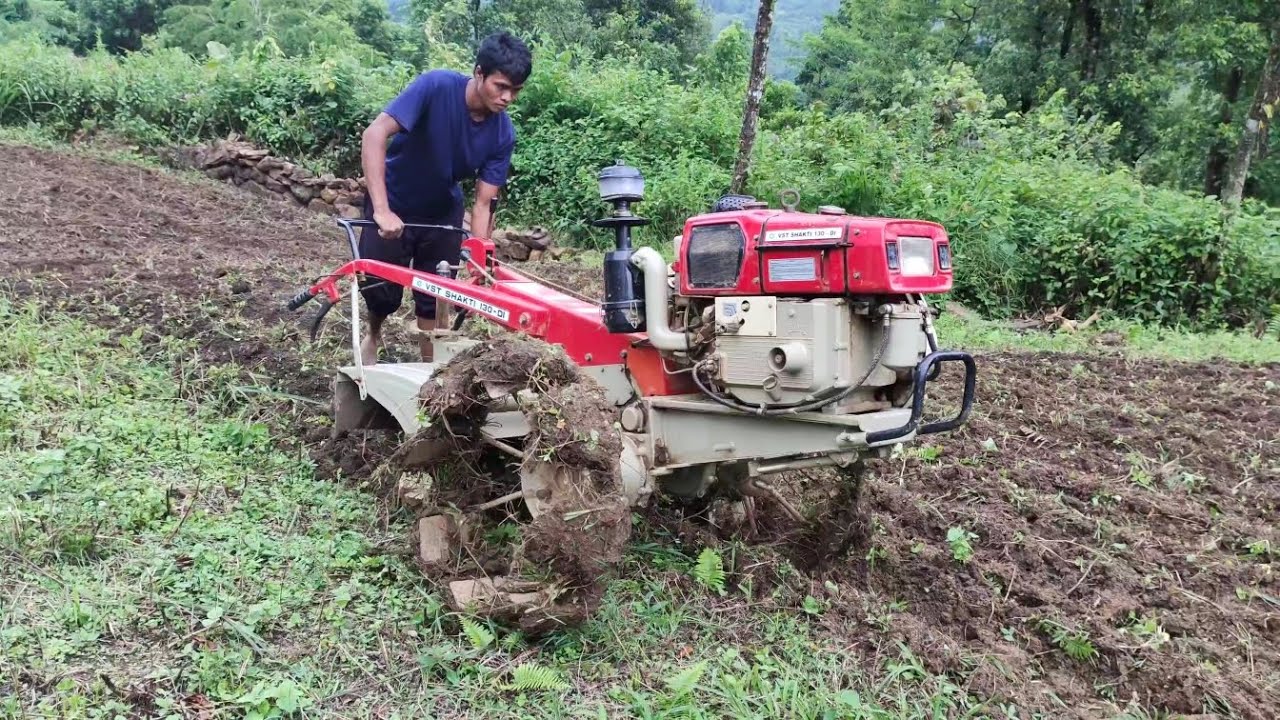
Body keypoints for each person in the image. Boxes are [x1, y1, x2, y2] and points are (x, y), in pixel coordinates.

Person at [357, 31, 532, 364]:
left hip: (441, 211)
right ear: (479, 73)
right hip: (395, 198)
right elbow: (374, 134)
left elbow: (484, 202)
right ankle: (374, 334)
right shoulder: (436, 87)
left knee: (437, 294)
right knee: (381, 292)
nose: (508, 98)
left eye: (516, 90)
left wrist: (479, 259)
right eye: (501, 86)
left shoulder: (502, 132)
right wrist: (381, 209)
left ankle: (431, 369)